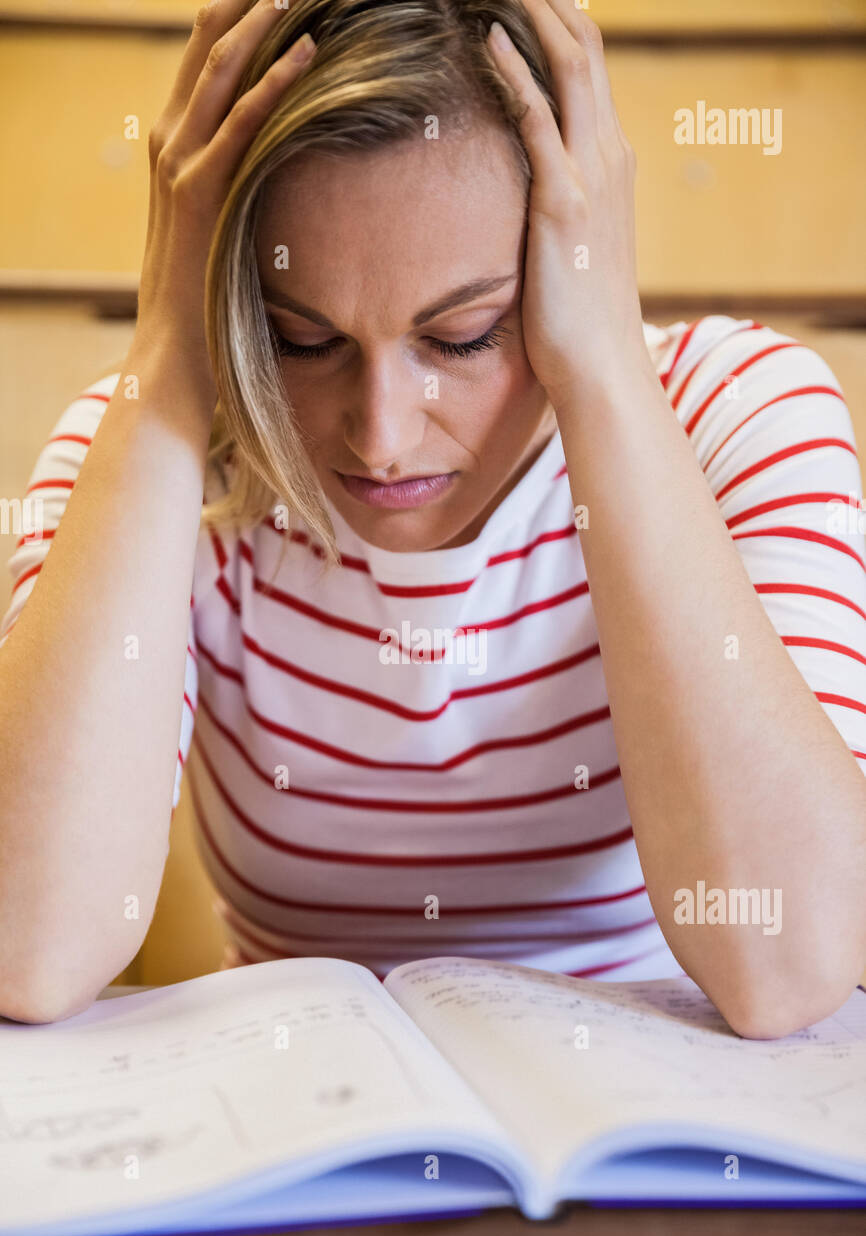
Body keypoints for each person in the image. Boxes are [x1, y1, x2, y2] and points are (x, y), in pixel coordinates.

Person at [1, 0, 865, 1037]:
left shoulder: (736, 414)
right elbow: (27, 950)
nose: (379, 437)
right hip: (303, 1128)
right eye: (301, 339)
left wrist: (601, 378)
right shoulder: (145, 449)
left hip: (642, 1152)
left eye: (463, 336)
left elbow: (791, 962)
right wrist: (168, 362)